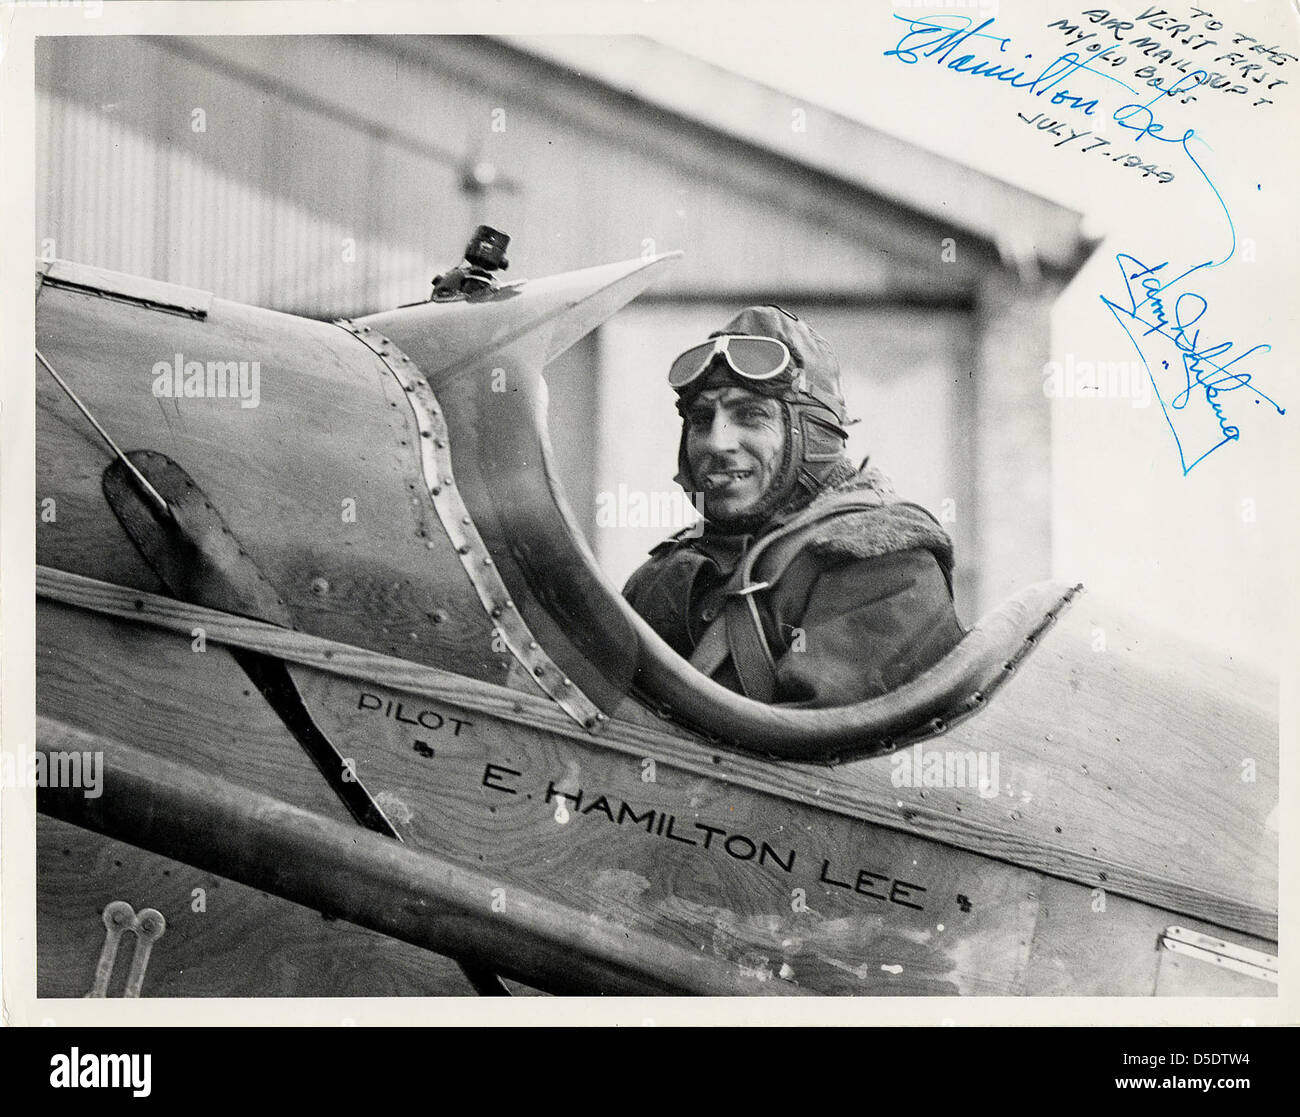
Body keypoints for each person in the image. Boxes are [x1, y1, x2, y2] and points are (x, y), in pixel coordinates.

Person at [622, 305, 964, 708]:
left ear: (814, 434)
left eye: (750, 416)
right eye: (701, 419)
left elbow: (827, 754)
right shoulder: (665, 574)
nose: (716, 443)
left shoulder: (884, 563)